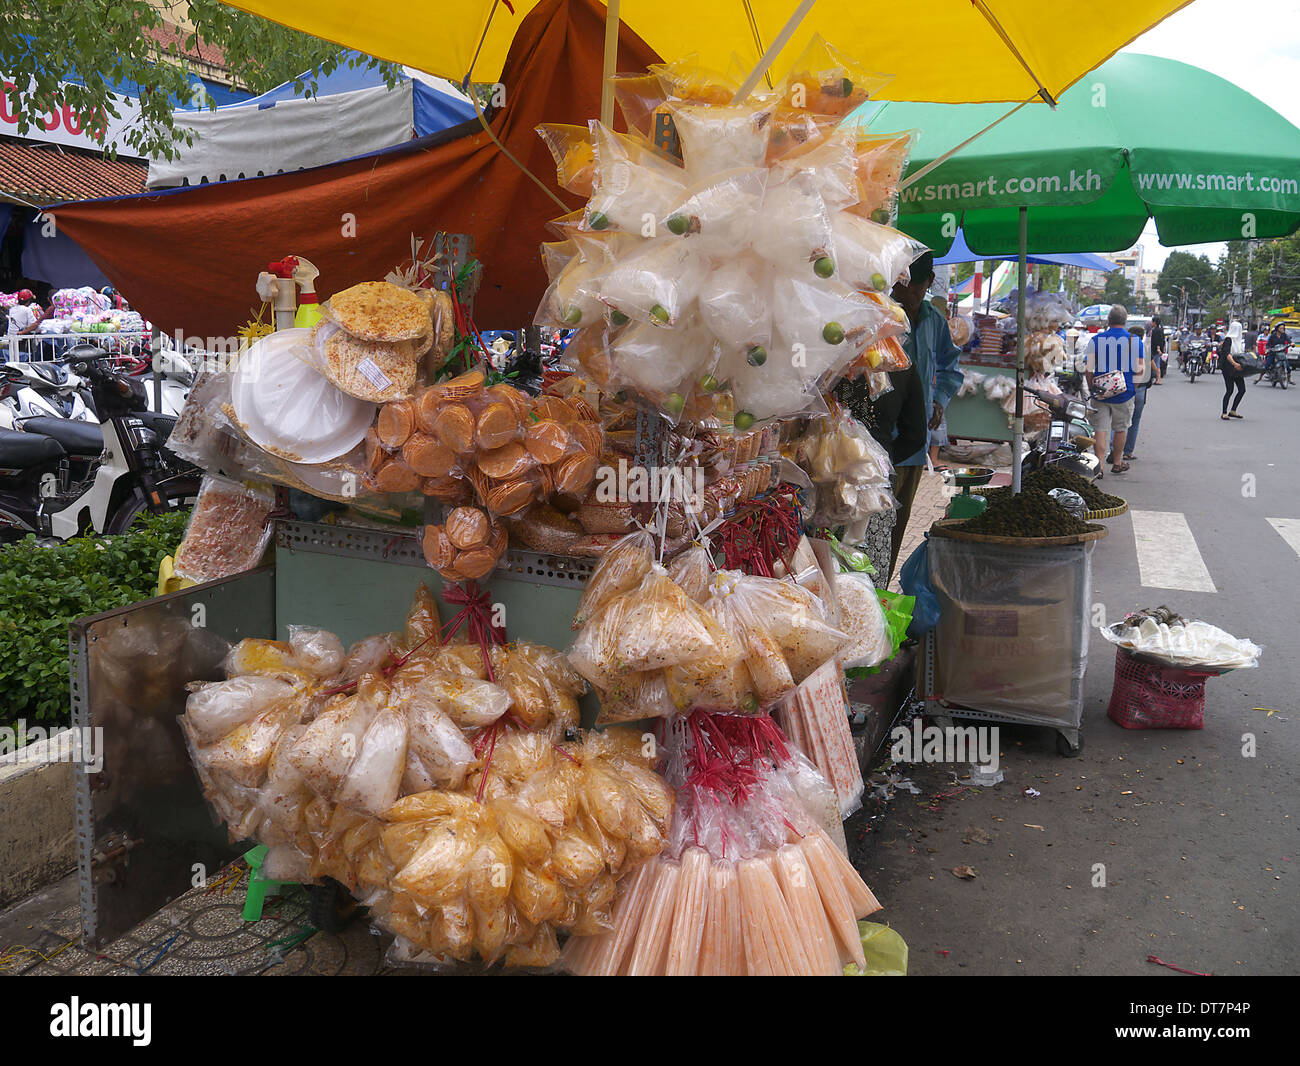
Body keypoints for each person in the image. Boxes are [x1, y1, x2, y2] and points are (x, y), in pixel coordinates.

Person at [886, 251, 963, 578]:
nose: (907, 294)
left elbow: (951, 368)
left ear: (928, 283)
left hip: (916, 443)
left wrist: (939, 401)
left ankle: (884, 589)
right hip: (882, 441)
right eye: (902, 286)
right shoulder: (882, 316)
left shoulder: (934, 321)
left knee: (897, 525)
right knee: (873, 522)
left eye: (916, 288)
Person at [834, 359, 927, 578]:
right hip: (876, 486)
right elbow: (916, 435)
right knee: (867, 576)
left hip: (825, 481)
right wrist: (885, 460)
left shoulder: (834, 358)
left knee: (820, 569)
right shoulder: (901, 365)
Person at [1084, 304, 1143, 476]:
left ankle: (1099, 465)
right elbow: (1140, 369)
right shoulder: (1134, 340)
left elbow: (1089, 368)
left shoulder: (1096, 340)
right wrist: (1134, 388)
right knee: (1121, 428)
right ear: (1125, 321)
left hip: (1100, 392)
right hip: (1124, 393)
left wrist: (1091, 387)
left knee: (1099, 429)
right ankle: (1117, 462)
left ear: (1109, 321)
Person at [1113, 324, 1149, 463]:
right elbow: (1144, 368)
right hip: (1139, 387)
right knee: (1134, 421)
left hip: (1124, 385)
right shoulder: (1143, 347)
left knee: (1118, 423)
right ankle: (1127, 452)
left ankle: (1114, 450)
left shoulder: (1122, 346)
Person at [1220, 331, 1246, 418]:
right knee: (1229, 390)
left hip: (1238, 369)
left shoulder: (1239, 341)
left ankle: (1233, 410)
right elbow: (1227, 354)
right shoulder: (1228, 340)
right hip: (1228, 368)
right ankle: (1224, 413)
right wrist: (1234, 364)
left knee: (1242, 390)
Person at [1150, 315, 1166, 382]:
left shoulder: (1155, 331)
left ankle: (1158, 379)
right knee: (1157, 364)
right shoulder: (1160, 330)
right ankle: (1157, 379)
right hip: (1157, 350)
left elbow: (1157, 341)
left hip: (1155, 350)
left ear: (1155, 322)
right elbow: (1163, 340)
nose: (1151, 323)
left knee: (1156, 364)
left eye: (1152, 322)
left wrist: (1158, 349)